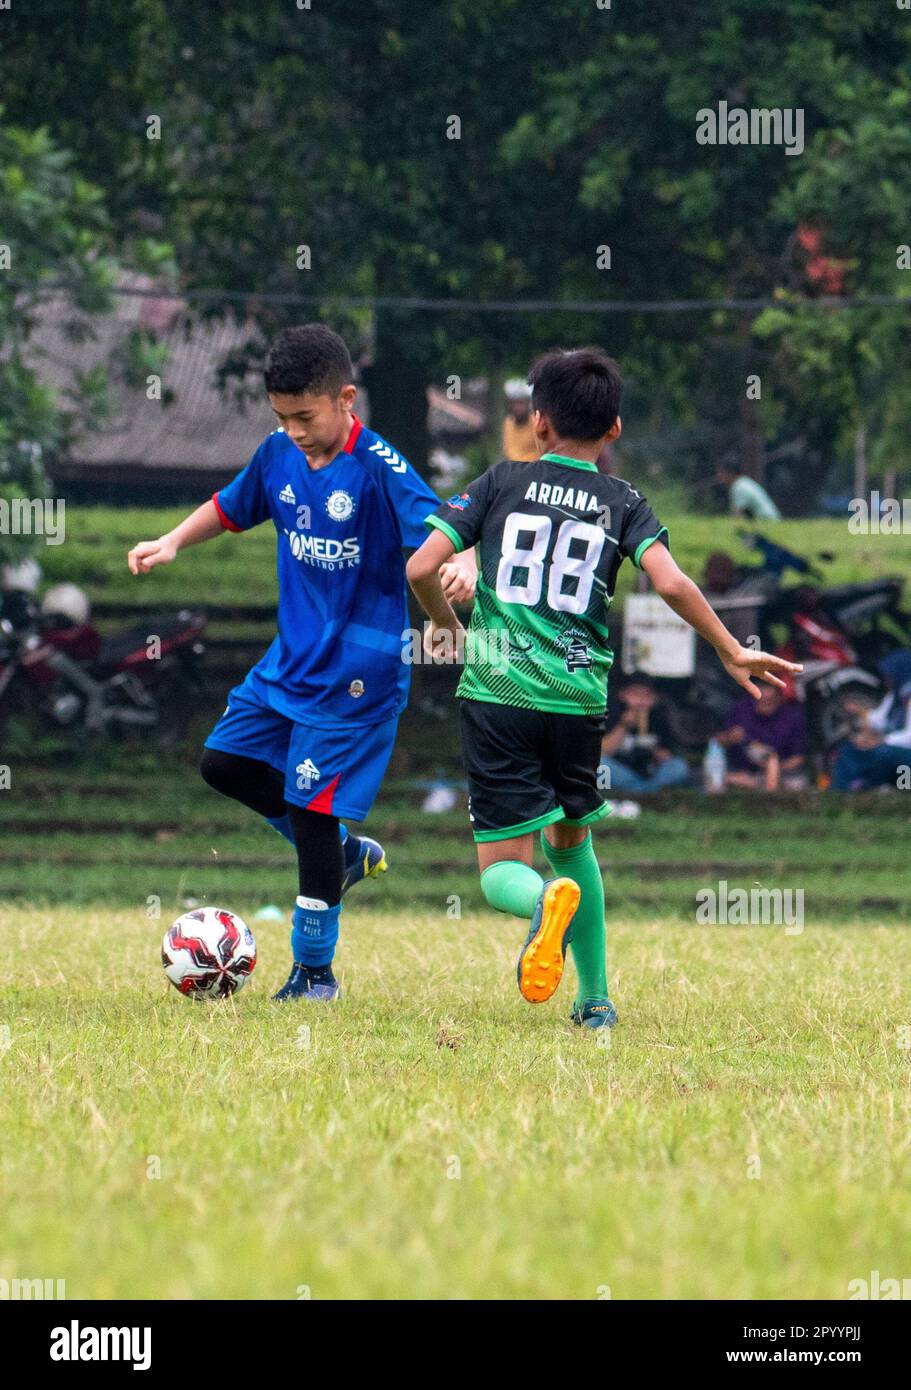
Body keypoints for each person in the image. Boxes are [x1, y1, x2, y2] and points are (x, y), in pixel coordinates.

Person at [406, 346, 800, 1031]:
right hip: (577, 700)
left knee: (503, 869)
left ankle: (541, 904)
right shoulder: (622, 502)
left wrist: (445, 624)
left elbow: (421, 566)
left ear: (536, 422)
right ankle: (594, 1001)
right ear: (613, 430)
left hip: (499, 691)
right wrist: (730, 647)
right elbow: (671, 582)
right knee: (573, 840)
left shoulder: (501, 481)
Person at [128, 324, 475, 1001]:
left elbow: (444, 532)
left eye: (304, 417)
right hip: (290, 661)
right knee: (223, 764)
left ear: (346, 399)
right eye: (281, 418)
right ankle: (343, 856)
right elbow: (230, 508)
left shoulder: (379, 465)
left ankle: (315, 973)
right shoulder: (276, 455)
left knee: (310, 805)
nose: (293, 430)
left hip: (358, 672)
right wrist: (172, 541)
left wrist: (460, 572)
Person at [831, 651, 911, 791]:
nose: (886, 679)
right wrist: (859, 712)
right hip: (891, 747)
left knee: (881, 752)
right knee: (849, 749)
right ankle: (841, 792)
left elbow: (909, 737)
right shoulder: (895, 695)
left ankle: (865, 787)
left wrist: (882, 741)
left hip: (903, 753)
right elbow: (878, 720)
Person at [599, 677, 691, 792]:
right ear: (622, 694)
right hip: (620, 770)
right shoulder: (611, 712)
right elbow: (602, 752)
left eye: (647, 695)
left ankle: (642, 790)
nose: (641, 700)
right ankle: (645, 791)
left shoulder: (659, 717)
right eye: (635, 695)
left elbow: (666, 753)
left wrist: (659, 754)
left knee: (679, 766)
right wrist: (623, 726)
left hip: (649, 772)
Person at [715, 683, 808, 790]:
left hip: (782, 772)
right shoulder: (741, 709)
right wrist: (730, 737)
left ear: (779, 699)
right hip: (741, 770)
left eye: (770, 700)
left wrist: (773, 769)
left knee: (796, 784)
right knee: (724, 778)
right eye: (761, 700)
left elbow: (799, 757)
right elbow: (717, 741)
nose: (766, 704)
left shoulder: (793, 716)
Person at [716, 463, 781, 521]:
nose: (719, 476)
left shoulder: (739, 487)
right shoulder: (744, 482)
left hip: (767, 520)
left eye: (722, 473)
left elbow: (737, 514)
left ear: (730, 473)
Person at [501, 379, 539, 461]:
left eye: (521, 403)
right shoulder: (508, 423)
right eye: (513, 403)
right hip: (512, 469)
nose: (517, 408)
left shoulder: (537, 423)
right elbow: (507, 452)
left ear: (529, 403)